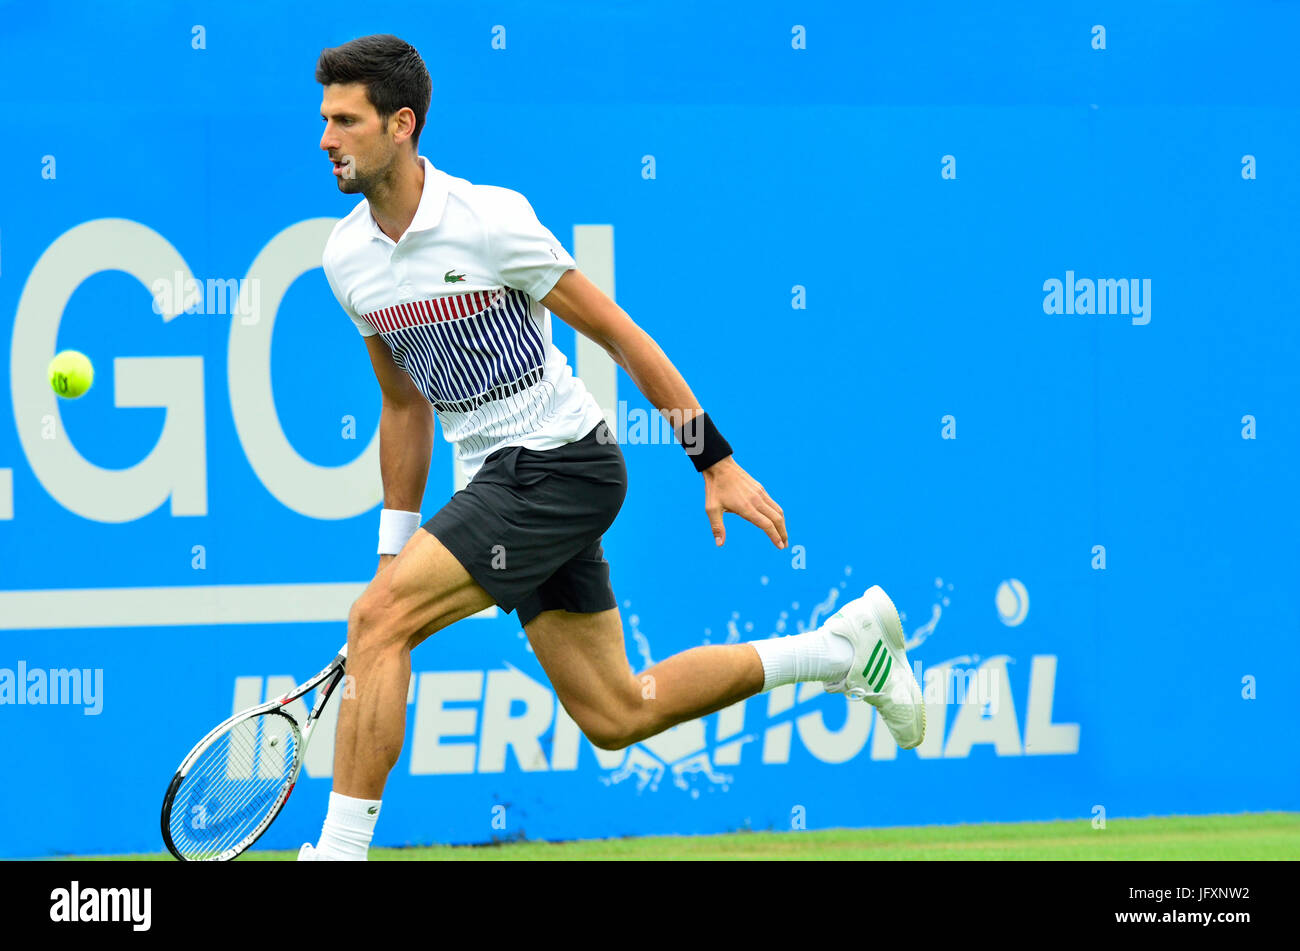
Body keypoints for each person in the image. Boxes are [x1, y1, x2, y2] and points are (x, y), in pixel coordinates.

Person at [301, 34, 924, 861]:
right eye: (324, 120)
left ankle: (338, 854)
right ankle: (841, 649)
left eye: (345, 120)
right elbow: (403, 402)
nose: (325, 139)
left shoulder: (490, 221)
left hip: (561, 461)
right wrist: (392, 547)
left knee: (378, 623)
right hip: (495, 477)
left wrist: (715, 459)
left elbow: (622, 336)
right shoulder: (346, 258)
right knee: (617, 713)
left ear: (402, 124)